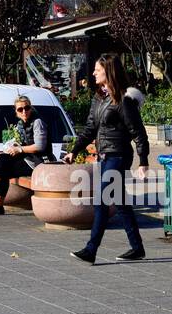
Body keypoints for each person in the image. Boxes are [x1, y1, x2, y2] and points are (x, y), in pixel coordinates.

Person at [64, 53, 150, 263]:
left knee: (102, 201)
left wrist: (144, 161)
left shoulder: (124, 101)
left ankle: (91, 249)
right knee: (120, 202)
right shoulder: (99, 98)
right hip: (104, 157)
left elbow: (138, 133)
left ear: (108, 71)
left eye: (97, 70)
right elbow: (90, 128)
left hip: (118, 156)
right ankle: (137, 248)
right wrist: (75, 150)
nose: (93, 73)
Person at [0, 95, 57, 214]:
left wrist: (19, 150)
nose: (24, 111)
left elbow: (40, 146)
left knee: (4, 168)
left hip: (40, 163)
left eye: (27, 108)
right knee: (3, 160)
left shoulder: (37, 122)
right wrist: (13, 146)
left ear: (31, 108)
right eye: (20, 109)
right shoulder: (20, 123)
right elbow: (19, 142)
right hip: (29, 160)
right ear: (16, 111)